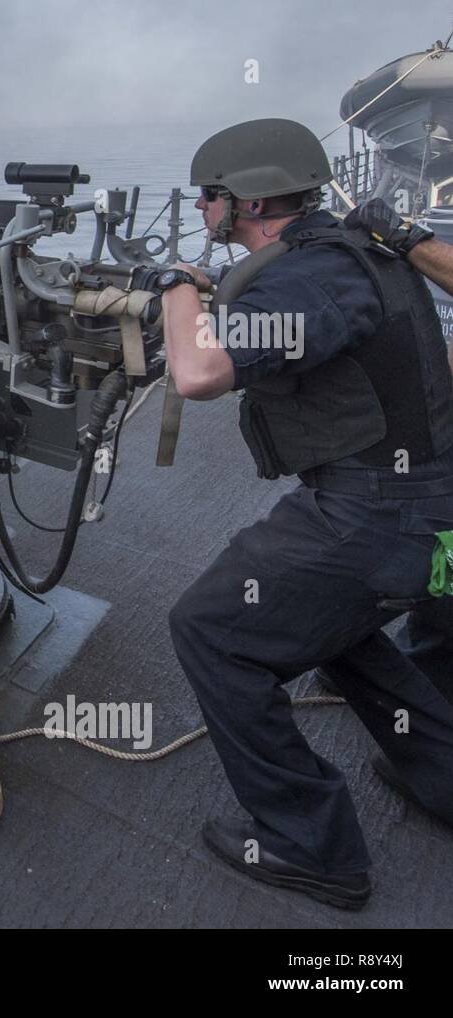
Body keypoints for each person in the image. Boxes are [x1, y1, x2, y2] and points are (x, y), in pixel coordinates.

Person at [156, 118, 453, 909]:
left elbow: (198, 372)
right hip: (427, 504)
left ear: (241, 202)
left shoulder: (310, 279)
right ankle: (442, 772)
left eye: (207, 197)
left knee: (212, 630)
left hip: (382, 516)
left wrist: (174, 284)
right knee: (334, 625)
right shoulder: (358, 251)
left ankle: (312, 847)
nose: (200, 207)